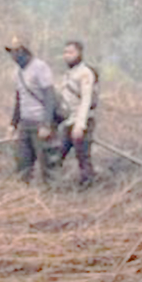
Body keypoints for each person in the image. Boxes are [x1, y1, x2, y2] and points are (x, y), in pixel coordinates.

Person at [5, 33, 59, 185]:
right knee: (23, 162)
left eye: (16, 51)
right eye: (11, 52)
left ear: (24, 51)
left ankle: (53, 192)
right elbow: (19, 100)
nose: (13, 55)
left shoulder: (40, 67)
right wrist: (13, 124)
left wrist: (46, 124)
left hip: (40, 122)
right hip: (25, 123)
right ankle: (23, 191)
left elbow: (49, 96)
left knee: (48, 165)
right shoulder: (17, 72)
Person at [56, 39, 98, 186]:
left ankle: (88, 186)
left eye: (71, 52)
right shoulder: (68, 74)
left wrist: (80, 125)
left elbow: (86, 100)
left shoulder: (85, 73)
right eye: (65, 52)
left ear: (79, 53)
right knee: (57, 154)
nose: (67, 55)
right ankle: (53, 184)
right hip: (68, 121)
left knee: (83, 157)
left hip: (82, 121)